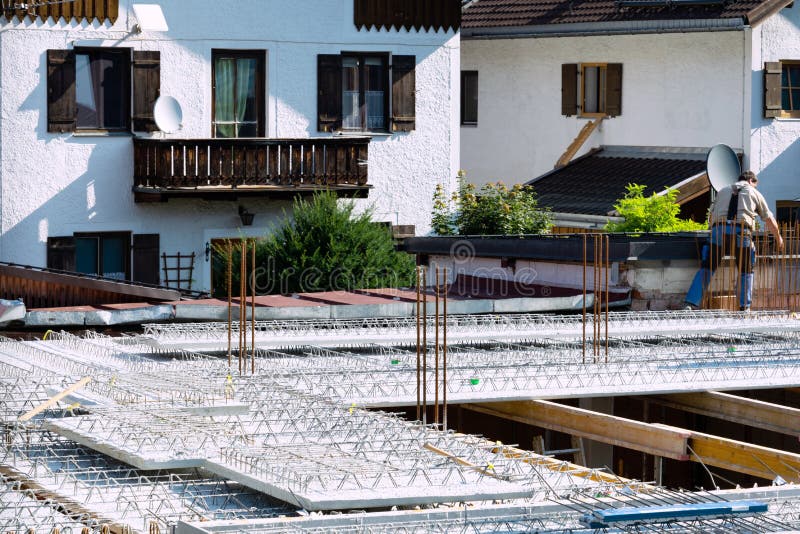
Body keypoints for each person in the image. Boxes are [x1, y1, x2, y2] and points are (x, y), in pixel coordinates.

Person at [685, 170, 784, 311]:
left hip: (718, 231)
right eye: (754, 185)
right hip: (741, 232)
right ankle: (745, 308)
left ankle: (690, 303)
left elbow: (711, 217)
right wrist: (778, 237)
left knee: (707, 268)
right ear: (751, 181)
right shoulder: (754, 192)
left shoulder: (723, 190)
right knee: (746, 270)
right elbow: (768, 219)